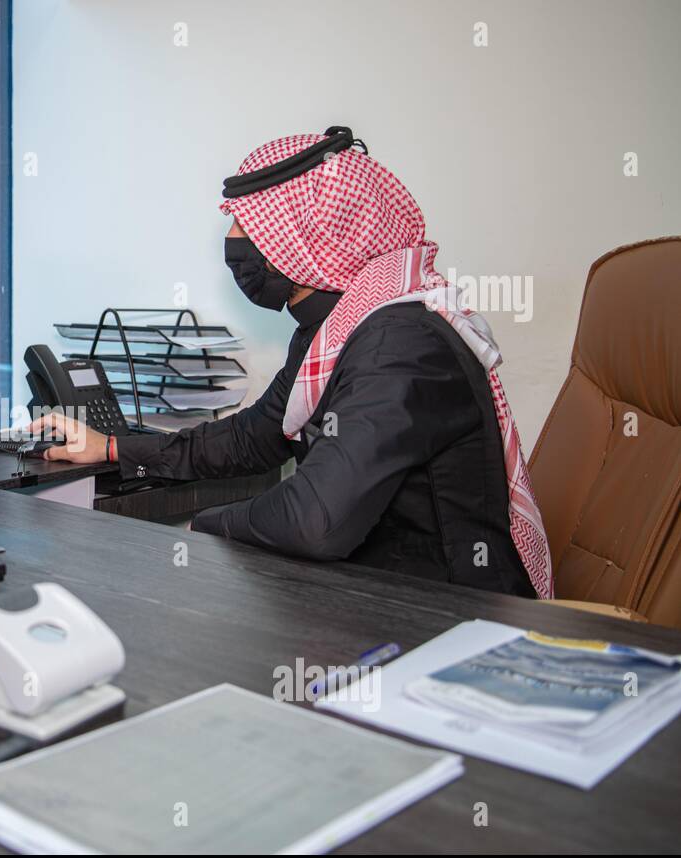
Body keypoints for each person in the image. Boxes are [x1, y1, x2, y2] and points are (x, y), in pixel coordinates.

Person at [32, 128, 552, 598]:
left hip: (447, 614)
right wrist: (117, 447)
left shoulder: (400, 344)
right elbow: (258, 434)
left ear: (303, 238)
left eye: (246, 223)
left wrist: (205, 527)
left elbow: (315, 521)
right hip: (385, 587)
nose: (234, 241)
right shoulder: (342, 326)